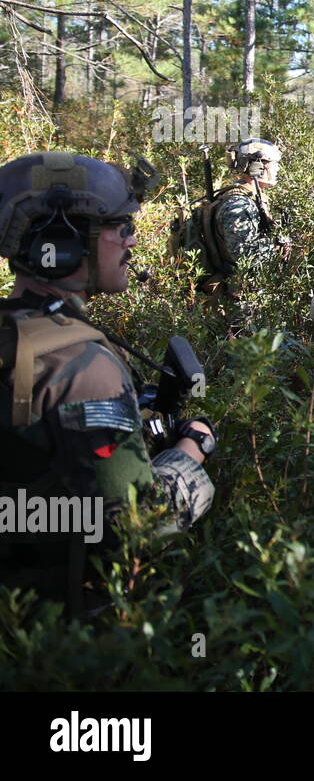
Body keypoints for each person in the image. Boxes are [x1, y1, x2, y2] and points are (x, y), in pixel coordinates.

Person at [0, 152, 215, 615]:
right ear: (64, 241)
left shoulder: (16, 332)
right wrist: (194, 448)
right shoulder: (80, 365)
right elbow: (139, 525)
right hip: (60, 644)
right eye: (121, 228)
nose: (132, 242)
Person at [200, 137, 290, 298]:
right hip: (236, 298)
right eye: (274, 163)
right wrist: (279, 245)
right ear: (258, 166)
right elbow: (243, 254)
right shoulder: (239, 205)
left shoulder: (250, 197)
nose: (278, 168)